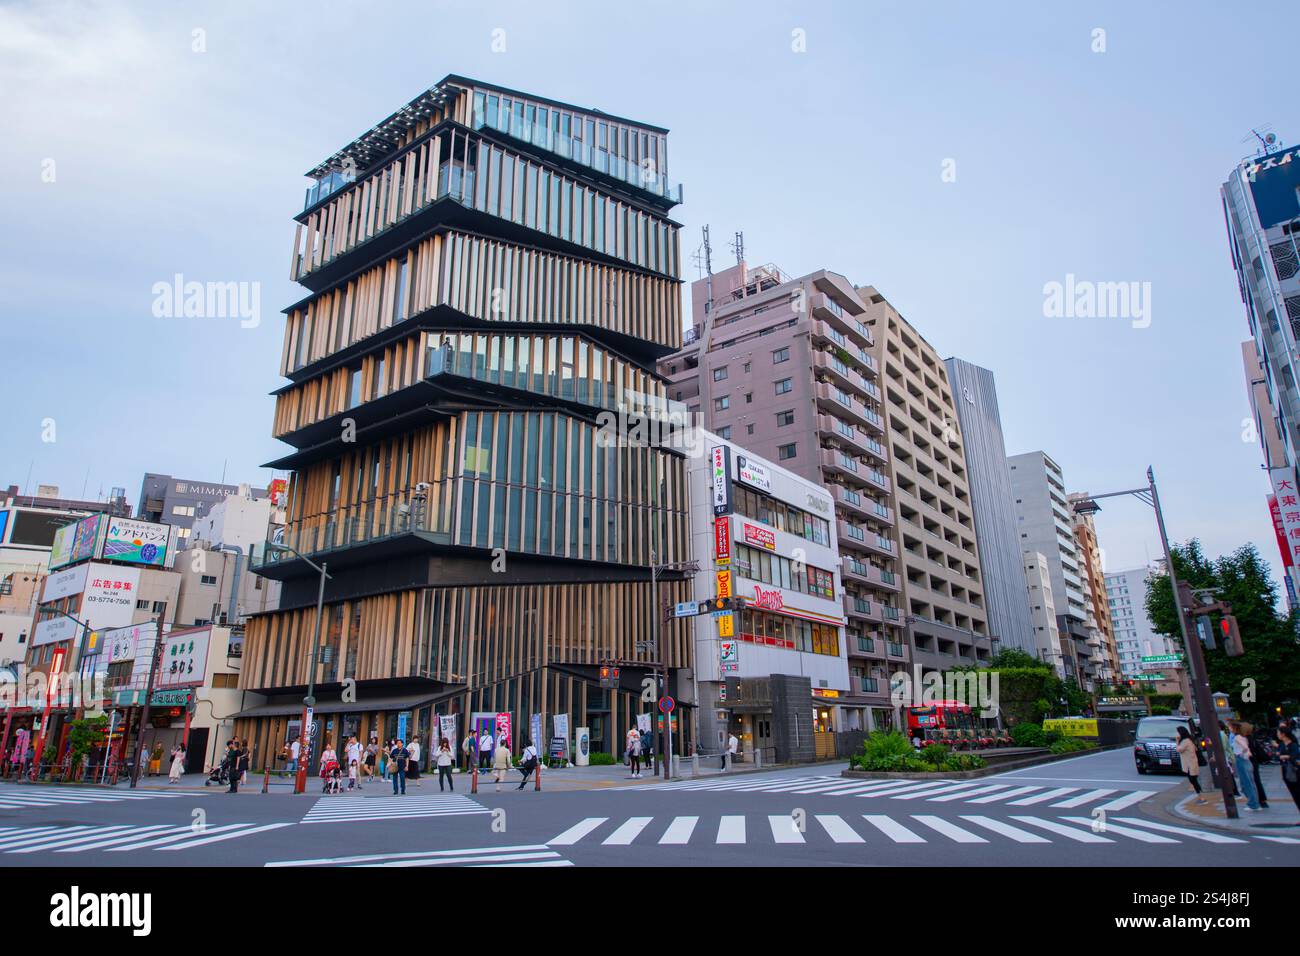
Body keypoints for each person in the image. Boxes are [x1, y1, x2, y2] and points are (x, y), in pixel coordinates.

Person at [1229, 722, 1262, 811]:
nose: (1229, 728)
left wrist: (1241, 753)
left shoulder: (1236, 737)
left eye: (1230, 727)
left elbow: (1245, 748)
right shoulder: (1243, 737)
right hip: (1246, 760)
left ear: (1234, 728)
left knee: (1246, 783)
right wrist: (1246, 752)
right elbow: (1247, 749)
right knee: (1250, 783)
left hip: (1241, 760)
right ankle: (1255, 803)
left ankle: (1253, 804)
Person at [1243, 723, 1270, 809]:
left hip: (1250, 761)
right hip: (1254, 761)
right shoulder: (1252, 738)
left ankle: (1257, 800)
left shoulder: (1246, 739)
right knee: (1256, 780)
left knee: (1253, 781)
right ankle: (1262, 800)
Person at [1175, 726, 1205, 804]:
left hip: (1190, 764)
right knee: (1193, 780)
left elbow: (1178, 749)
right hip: (1191, 764)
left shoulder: (1185, 741)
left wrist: (1177, 741)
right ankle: (1200, 796)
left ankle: (1201, 797)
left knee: (1193, 780)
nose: (1176, 734)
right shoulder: (1189, 740)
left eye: (1177, 732)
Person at [1276, 727, 1300, 812]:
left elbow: (1294, 756)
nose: (1277, 735)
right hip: (1286, 771)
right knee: (1294, 794)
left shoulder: (1293, 744)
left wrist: (1285, 756)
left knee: (1297, 793)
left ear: (1283, 734)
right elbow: (1277, 756)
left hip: (1295, 771)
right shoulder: (1282, 744)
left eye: (1278, 733)